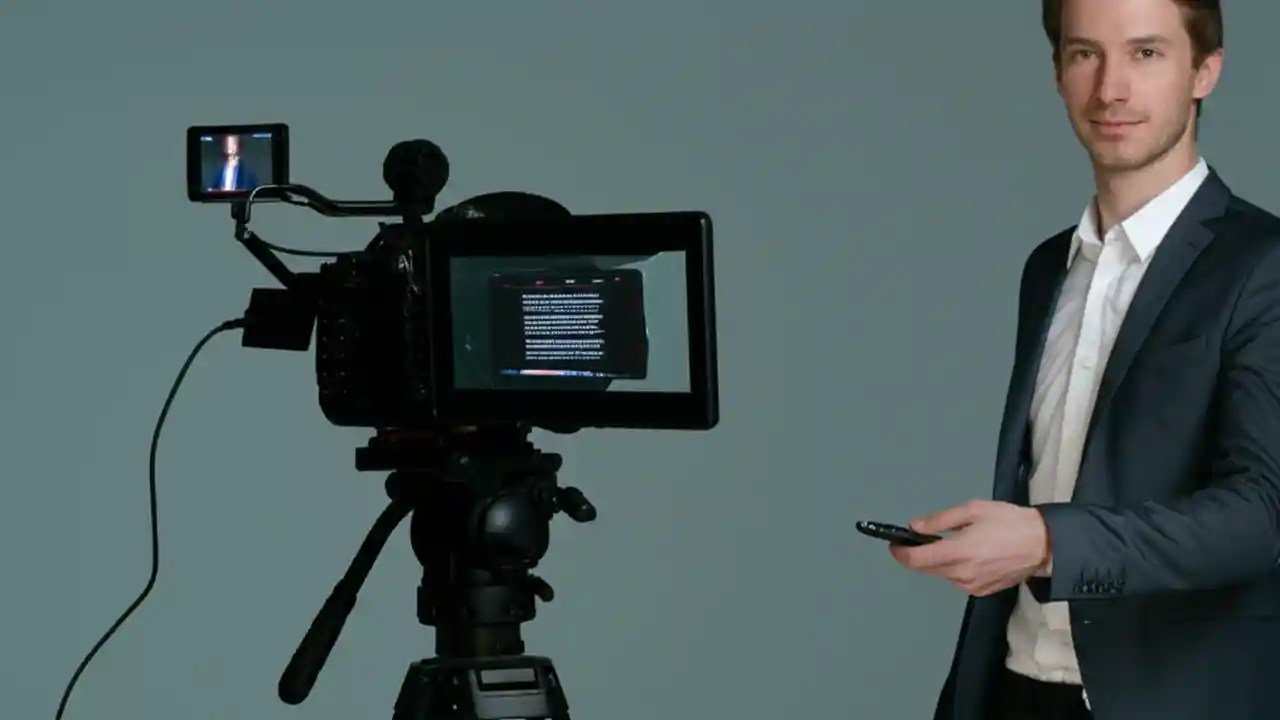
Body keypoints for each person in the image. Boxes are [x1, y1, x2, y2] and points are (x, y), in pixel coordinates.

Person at [888, 1, 1280, 718]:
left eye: (1146, 54)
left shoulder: (1265, 266)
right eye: (1084, 55)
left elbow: (1263, 516)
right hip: (1010, 684)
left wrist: (1044, 543)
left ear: (1207, 71)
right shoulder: (1049, 268)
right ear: (1059, 74)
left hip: (1168, 697)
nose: (1111, 90)